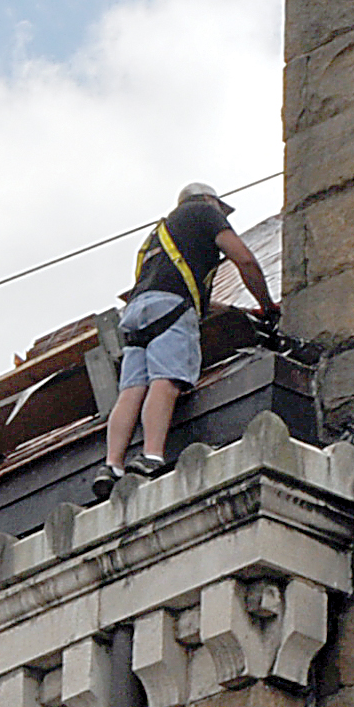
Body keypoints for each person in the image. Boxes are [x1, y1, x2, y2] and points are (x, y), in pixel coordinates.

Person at [92, 183, 278, 500]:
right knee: (165, 380)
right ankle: (151, 457)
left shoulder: (159, 236)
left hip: (137, 314)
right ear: (208, 200)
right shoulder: (203, 212)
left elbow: (184, 293)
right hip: (171, 306)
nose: (222, 215)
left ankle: (112, 465)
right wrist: (267, 304)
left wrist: (237, 312)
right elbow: (244, 260)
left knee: (132, 389)